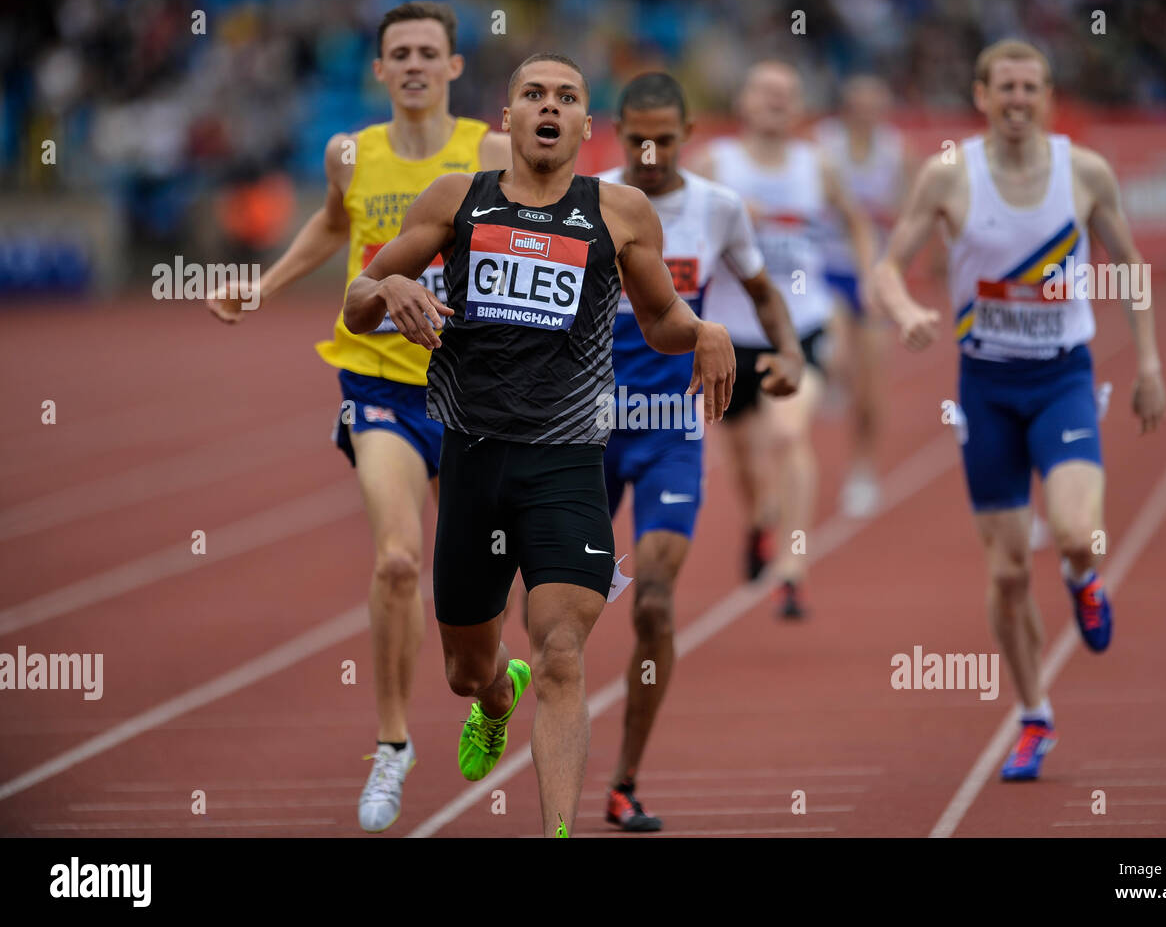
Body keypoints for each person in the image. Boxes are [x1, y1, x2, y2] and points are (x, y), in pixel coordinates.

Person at [343, 53, 736, 837]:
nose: (548, 107)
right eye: (533, 95)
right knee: (465, 673)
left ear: (587, 127)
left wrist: (704, 329)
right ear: (509, 119)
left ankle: (556, 830)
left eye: (566, 98)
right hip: (473, 459)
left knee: (562, 654)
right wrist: (388, 287)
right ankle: (495, 696)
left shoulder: (619, 213)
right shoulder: (458, 199)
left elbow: (660, 321)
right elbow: (357, 305)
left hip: (565, 464)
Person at [205, 0, 510, 832]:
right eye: (399, 52)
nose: (413, 64)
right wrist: (263, 287)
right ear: (379, 70)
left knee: (477, 624)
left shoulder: (488, 150)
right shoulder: (350, 153)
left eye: (428, 52)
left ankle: (492, 692)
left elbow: (542, 233)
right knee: (398, 562)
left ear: (453, 67)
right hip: (379, 385)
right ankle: (394, 745)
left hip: (475, 393)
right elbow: (332, 225)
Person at [869, 40, 1166, 780]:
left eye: (1030, 87)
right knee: (1004, 573)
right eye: (1004, 87)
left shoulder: (1084, 172)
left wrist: (1151, 363)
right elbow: (886, 264)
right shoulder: (950, 175)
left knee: (1074, 532)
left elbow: (1130, 265)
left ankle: (1080, 577)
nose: (1017, 100)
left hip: (1063, 379)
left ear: (1047, 95)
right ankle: (1035, 716)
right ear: (980, 95)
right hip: (987, 388)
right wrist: (905, 306)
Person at [595, 71, 803, 830]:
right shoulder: (585, 199)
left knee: (652, 605)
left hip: (669, 434)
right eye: (636, 138)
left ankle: (623, 781)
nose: (650, 153)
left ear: (688, 133)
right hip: (581, 433)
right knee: (557, 622)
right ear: (617, 133)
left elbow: (761, 288)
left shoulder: (717, 209)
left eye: (666, 138)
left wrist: (790, 354)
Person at [692, 60, 876, 618]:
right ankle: (761, 522)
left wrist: (869, 275)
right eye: (764, 91)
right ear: (743, 101)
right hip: (729, 336)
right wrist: (722, 217)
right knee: (747, 462)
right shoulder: (713, 163)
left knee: (787, 434)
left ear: (798, 107)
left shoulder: (815, 165)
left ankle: (793, 565)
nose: (775, 101)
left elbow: (857, 223)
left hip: (802, 328)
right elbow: (669, 224)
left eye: (786, 94)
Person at [814, 75, 909, 518]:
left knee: (872, 390)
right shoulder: (823, 146)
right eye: (859, 105)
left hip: (872, 275)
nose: (867, 113)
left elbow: (911, 215)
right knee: (838, 357)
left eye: (875, 105)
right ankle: (832, 374)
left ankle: (863, 471)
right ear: (846, 108)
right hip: (825, 269)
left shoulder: (896, 153)